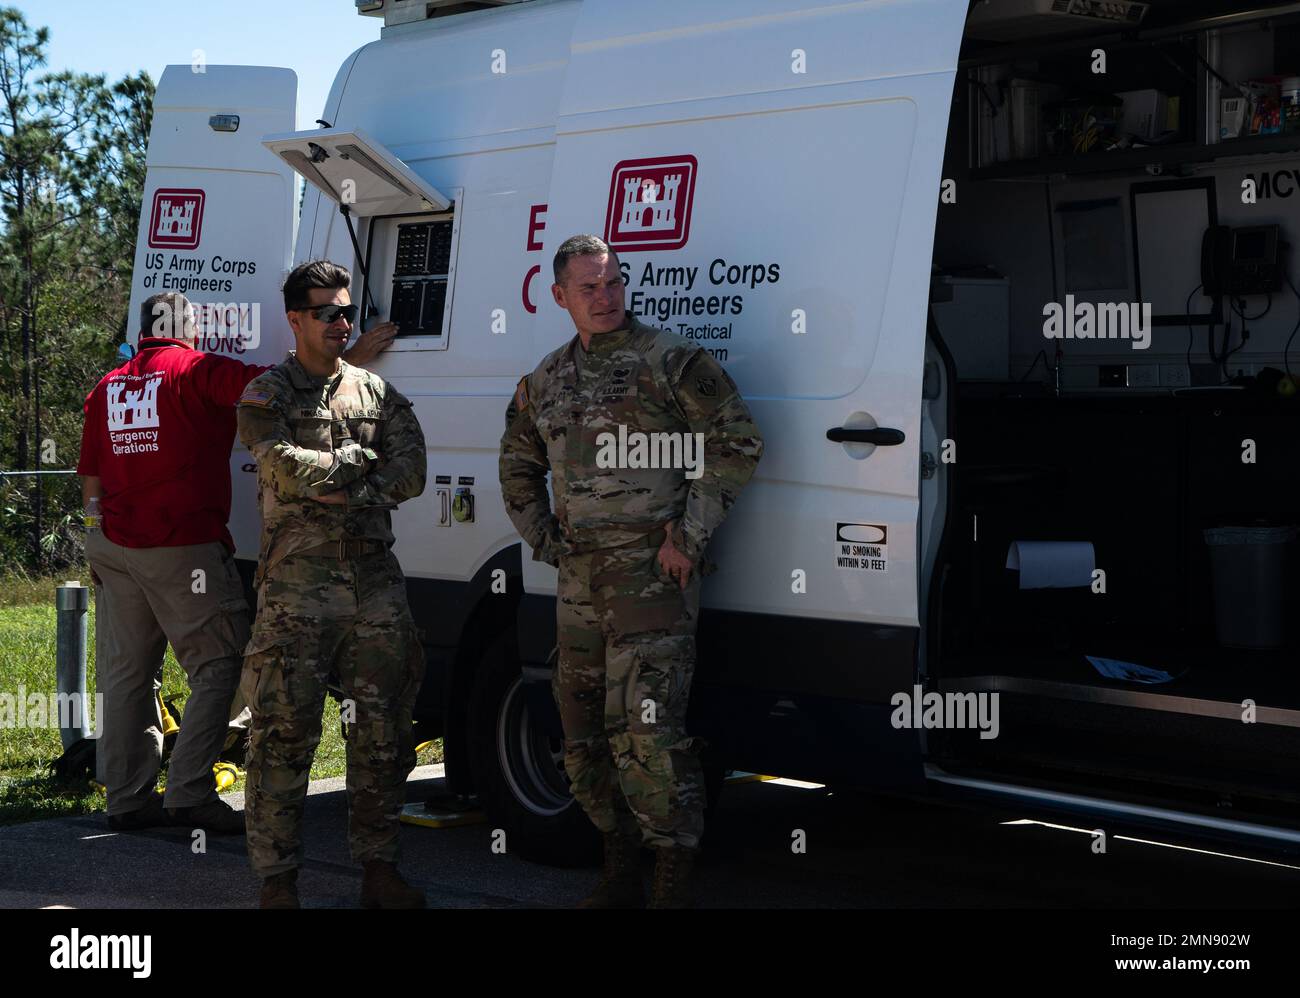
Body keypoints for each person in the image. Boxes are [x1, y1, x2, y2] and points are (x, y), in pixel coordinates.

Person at [498, 234, 763, 908]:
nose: (606, 297)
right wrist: (543, 536)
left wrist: (691, 532)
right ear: (560, 297)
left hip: (653, 578)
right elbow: (516, 462)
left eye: (614, 282)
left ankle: (670, 881)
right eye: (589, 287)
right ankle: (617, 868)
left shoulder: (671, 361)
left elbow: (737, 439)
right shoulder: (547, 379)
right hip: (579, 583)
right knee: (582, 734)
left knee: (647, 731)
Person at [77, 293, 396, 837]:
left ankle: (127, 798)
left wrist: (94, 542)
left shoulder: (109, 385)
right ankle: (190, 793)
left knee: (127, 674)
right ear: (188, 328)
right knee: (221, 665)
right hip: (181, 546)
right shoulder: (198, 370)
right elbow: (282, 390)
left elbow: (90, 477)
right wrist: (354, 357)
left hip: (114, 544)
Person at [237, 260, 427, 910]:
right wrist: (360, 463)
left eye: (347, 311)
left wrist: (348, 486)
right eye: (327, 313)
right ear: (295, 319)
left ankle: (380, 870)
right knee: (283, 734)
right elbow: (283, 469)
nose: (342, 323)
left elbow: (413, 472)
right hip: (296, 590)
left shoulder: (375, 393)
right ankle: (277, 881)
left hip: (374, 587)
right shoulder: (267, 395)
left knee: (383, 731)